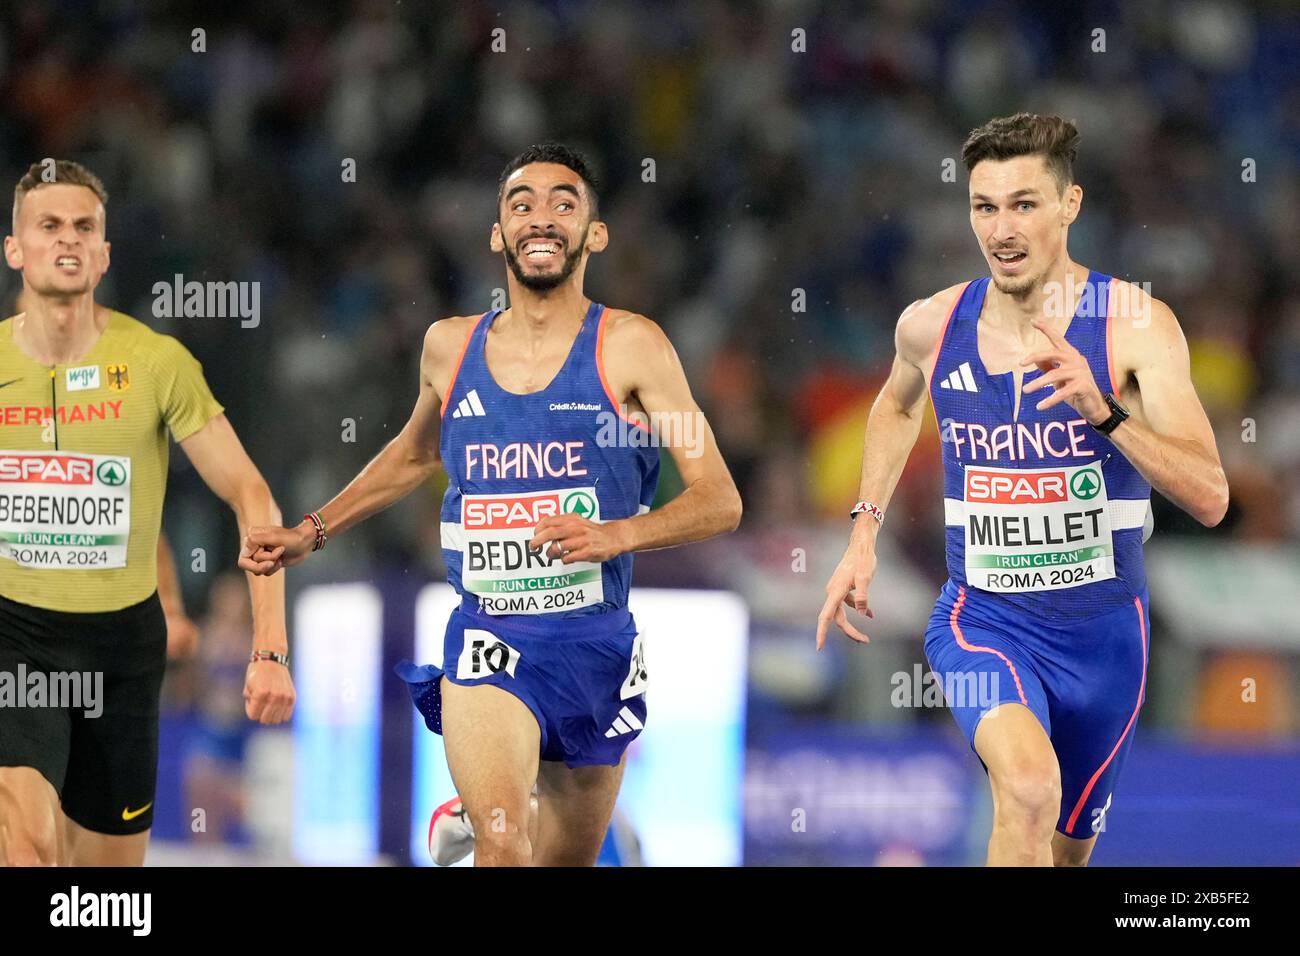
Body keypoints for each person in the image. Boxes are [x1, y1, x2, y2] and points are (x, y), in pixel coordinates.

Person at [240, 143, 742, 866]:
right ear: (497, 234)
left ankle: (481, 816)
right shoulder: (449, 348)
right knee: (506, 846)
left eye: (565, 203)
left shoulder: (635, 347)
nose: (543, 217)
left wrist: (615, 535)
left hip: (594, 647)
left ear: (594, 234)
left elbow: (720, 501)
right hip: (490, 639)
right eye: (522, 204)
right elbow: (415, 453)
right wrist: (312, 529)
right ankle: (491, 818)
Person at [817, 114, 1228, 866]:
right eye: (985, 207)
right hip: (985, 623)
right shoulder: (932, 324)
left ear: (1070, 205)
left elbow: (1209, 495)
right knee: (1029, 789)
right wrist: (864, 530)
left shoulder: (1135, 327)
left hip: (1108, 641)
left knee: (1065, 851)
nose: (1002, 229)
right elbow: (897, 402)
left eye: (1025, 204)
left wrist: (1104, 413)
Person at [0, 160, 296, 867]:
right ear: (15, 248)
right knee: (27, 842)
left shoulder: (158, 363)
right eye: (48, 226)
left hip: (123, 651)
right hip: (15, 636)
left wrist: (269, 649)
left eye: (84, 227)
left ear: (104, 253)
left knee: (105, 892)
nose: (67, 241)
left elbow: (252, 498)